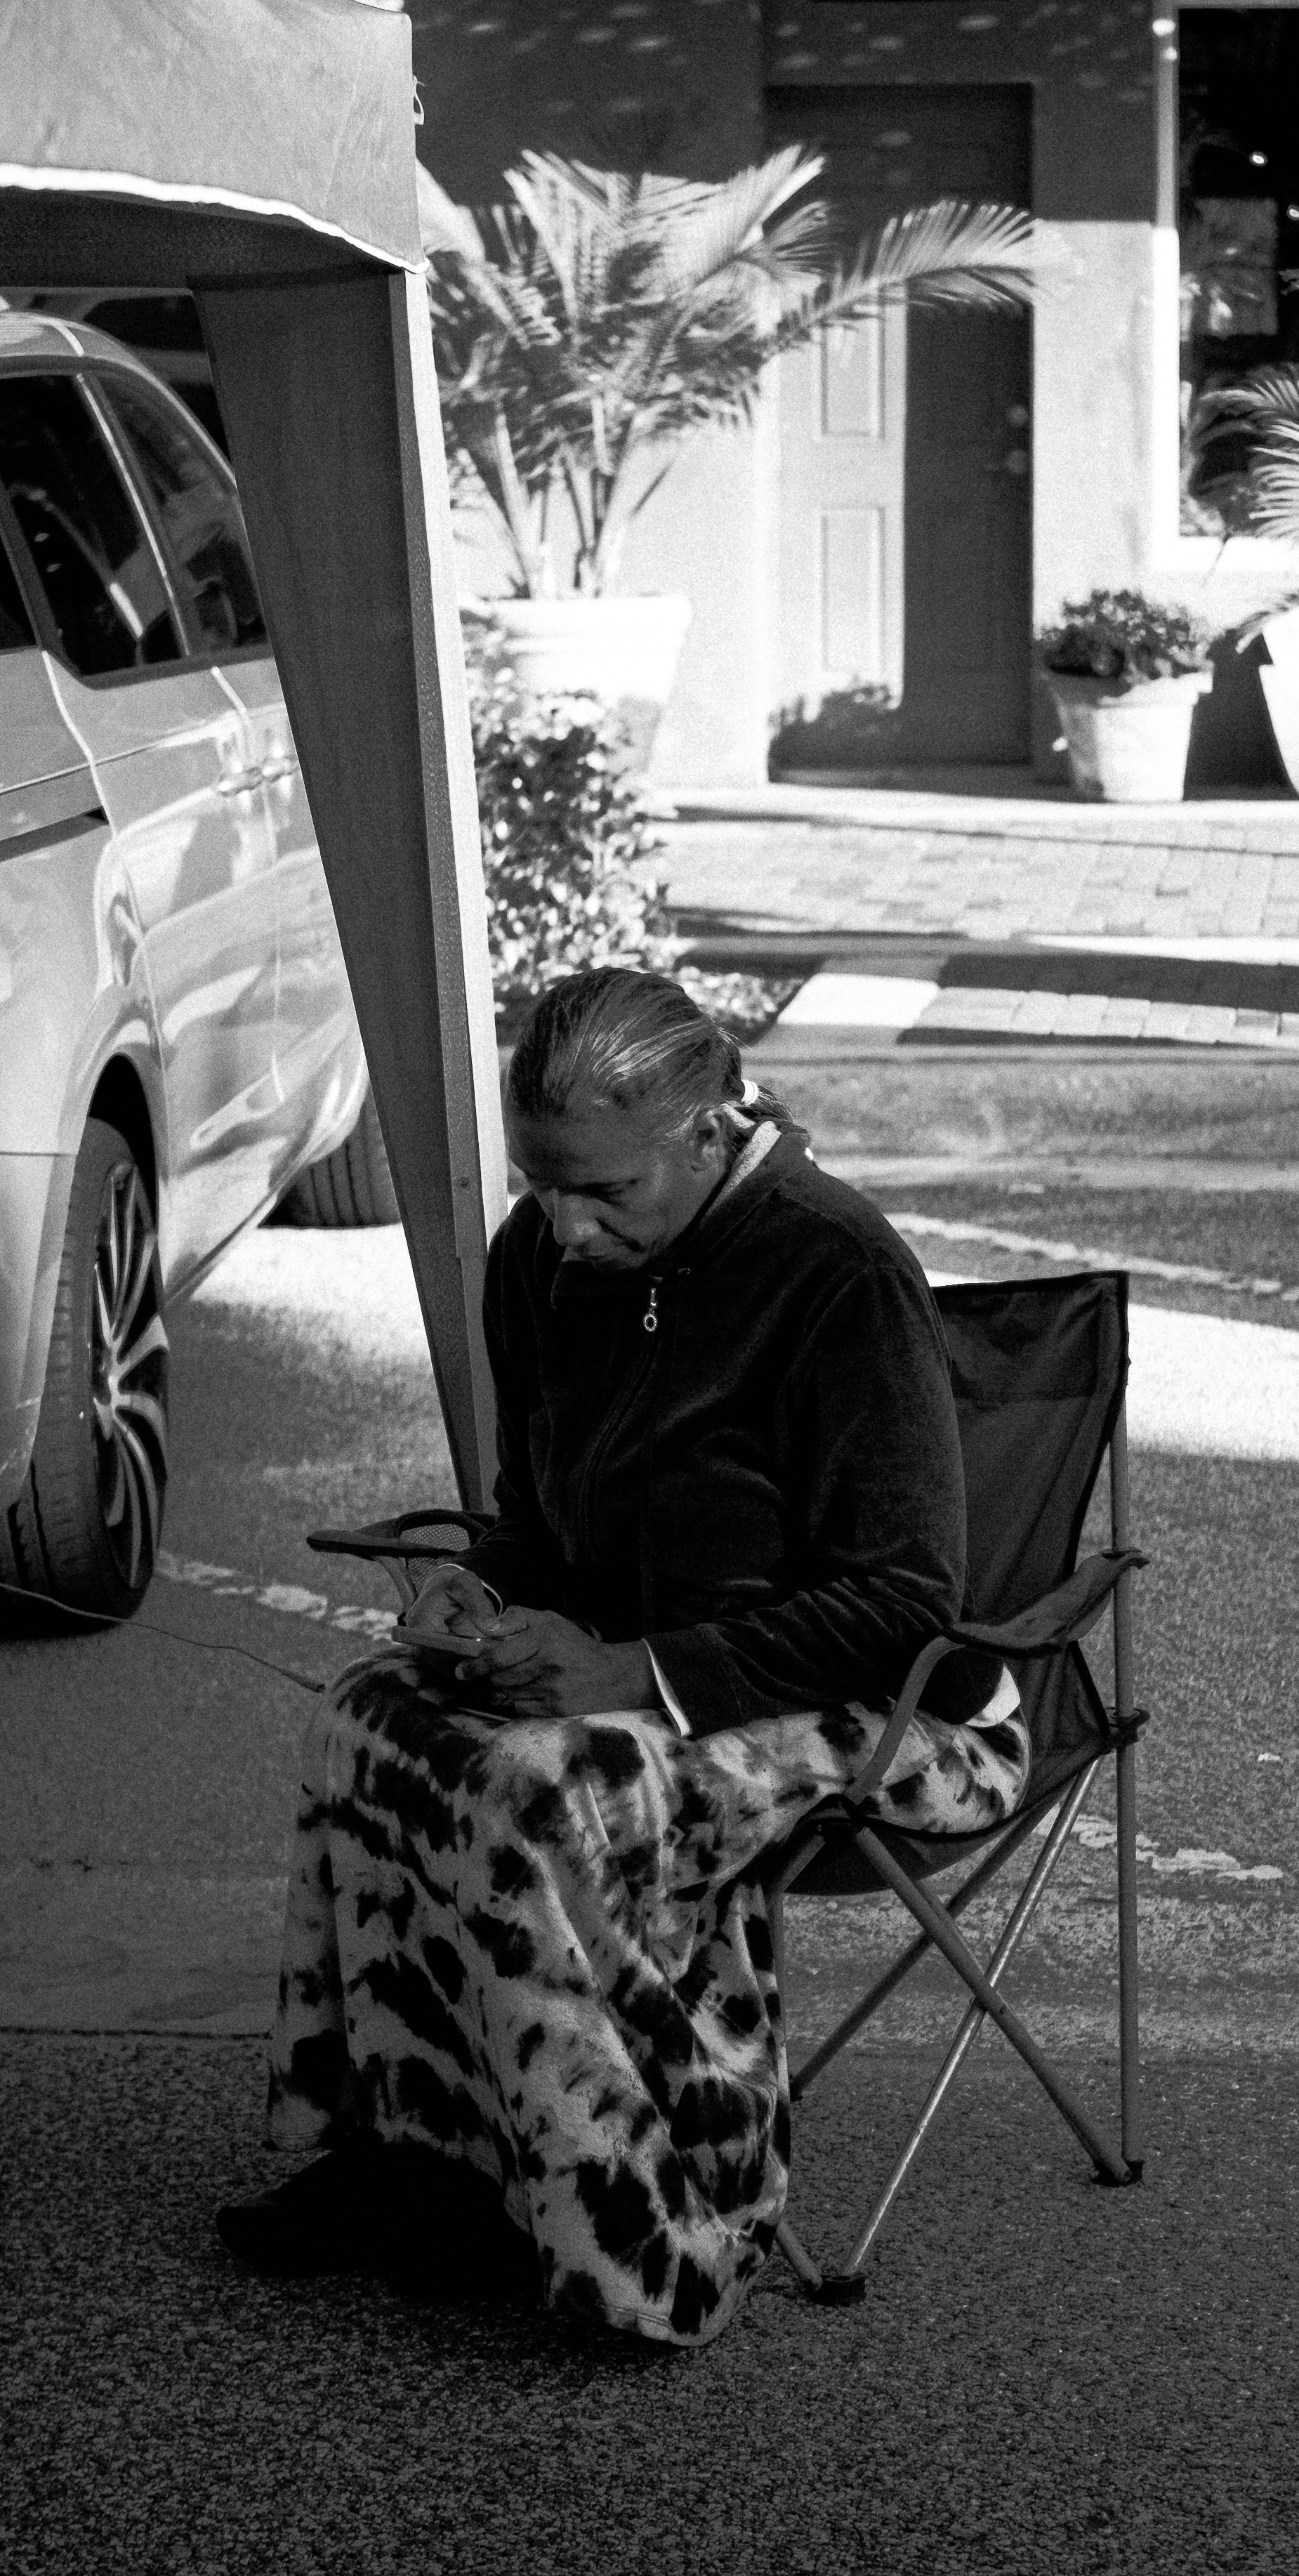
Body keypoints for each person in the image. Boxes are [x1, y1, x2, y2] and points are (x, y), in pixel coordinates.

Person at [216, 966, 1029, 2346]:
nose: (565, 1225)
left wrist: (636, 1672)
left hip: (896, 1710)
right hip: (644, 1658)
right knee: (371, 1714)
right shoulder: (541, 1259)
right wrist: (476, 1594)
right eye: (541, 1181)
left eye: (603, 1189)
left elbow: (908, 1595)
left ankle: (635, 2230)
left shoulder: (836, 1268)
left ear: (709, 1131)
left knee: (547, 1788)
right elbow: (541, 1525)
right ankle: (413, 2153)